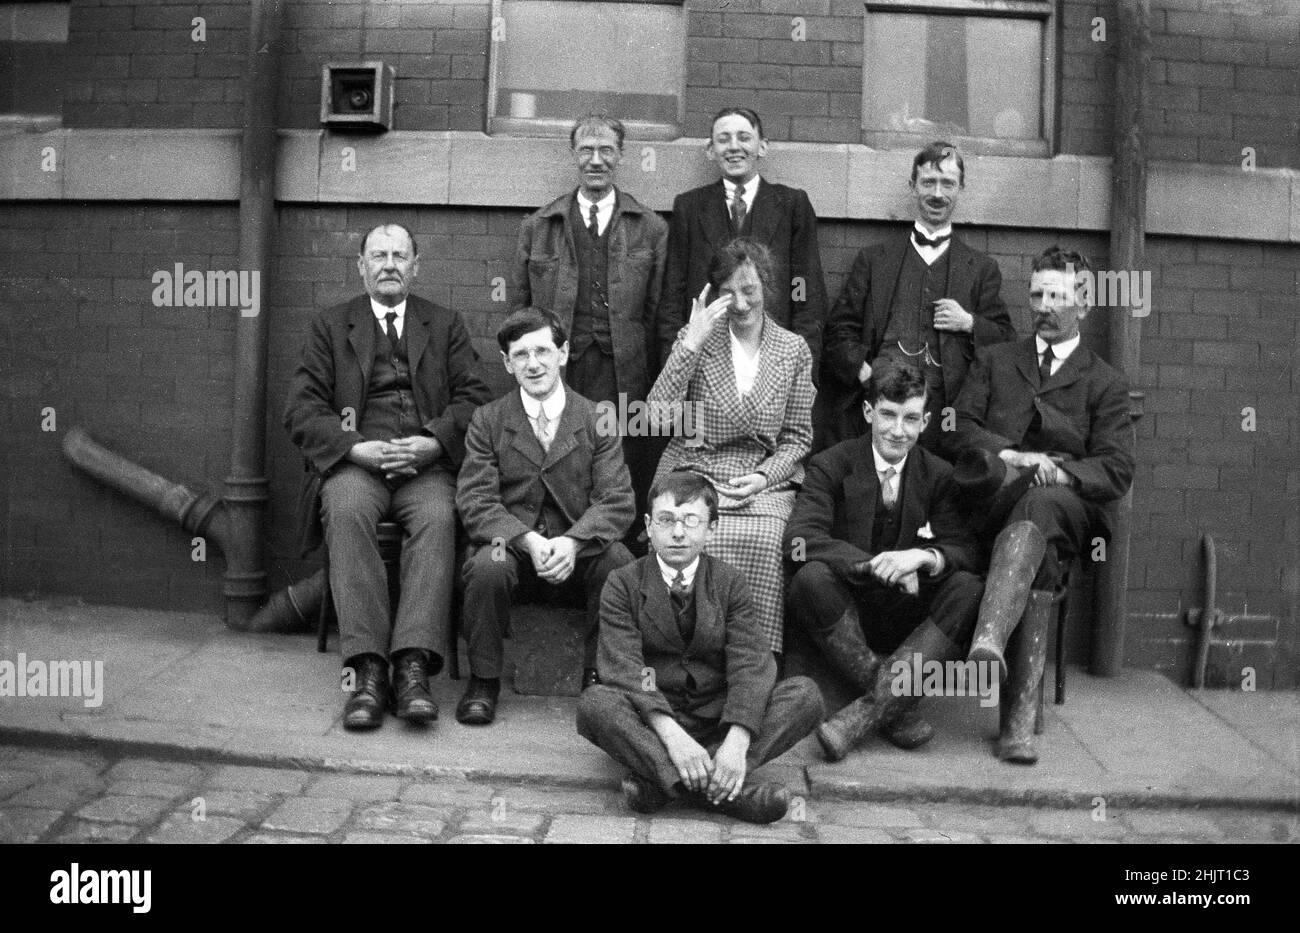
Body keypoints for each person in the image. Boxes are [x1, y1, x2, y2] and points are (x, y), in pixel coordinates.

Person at [284, 223, 490, 731]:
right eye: (379, 256)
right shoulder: (331, 326)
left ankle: (412, 667)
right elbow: (302, 409)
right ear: (361, 266)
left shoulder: (444, 324)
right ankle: (368, 669)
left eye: (400, 255)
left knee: (441, 517)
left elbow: (476, 398)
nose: (389, 265)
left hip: (425, 469)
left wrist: (434, 440)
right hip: (359, 464)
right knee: (348, 510)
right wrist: (356, 448)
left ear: (416, 266)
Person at [947, 246, 1135, 764]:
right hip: (996, 500)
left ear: (1084, 301)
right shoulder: (995, 360)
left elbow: (1116, 469)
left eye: (1057, 295)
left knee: (1041, 507)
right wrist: (1007, 452)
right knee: (1040, 561)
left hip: (1067, 507)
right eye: (1037, 295)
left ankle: (989, 637)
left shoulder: (1105, 381)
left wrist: (1061, 470)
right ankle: (1016, 730)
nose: (1044, 306)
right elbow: (955, 427)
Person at [577, 472, 824, 823]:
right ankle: (725, 794)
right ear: (648, 526)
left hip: (718, 717)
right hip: (652, 722)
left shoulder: (730, 582)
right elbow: (624, 667)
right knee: (594, 704)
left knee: (805, 696)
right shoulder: (623, 583)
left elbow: (751, 663)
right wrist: (671, 734)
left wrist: (737, 741)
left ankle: (666, 782)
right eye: (666, 520)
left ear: (711, 529)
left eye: (691, 521)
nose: (678, 533)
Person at [785, 359, 984, 761]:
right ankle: (894, 707)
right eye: (888, 415)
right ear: (868, 412)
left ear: (926, 421)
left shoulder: (938, 474)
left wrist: (924, 557)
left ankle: (858, 717)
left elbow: (964, 549)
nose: (898, 430)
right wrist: (875, 565)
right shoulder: (832, 463)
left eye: (910, 419)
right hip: (849, 607)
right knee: (810, 578)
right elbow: (799, 540)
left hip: (906, 618)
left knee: (968, 587)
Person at [455, 308, 635, 725]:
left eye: (542, 351)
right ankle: (484, 680)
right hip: (516, 546)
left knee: (619, 564)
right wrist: (527, 540)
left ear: (564, 353)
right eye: (520, 355)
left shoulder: (596, 418)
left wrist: (573, 542)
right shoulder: (489, 420)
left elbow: (617, 499)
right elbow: (476, 500)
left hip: (578, 547)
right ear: (506, 363)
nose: (533, 364)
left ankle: (600, 679)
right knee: (487, 565)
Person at [647, 237, 815, 656]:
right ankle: (691, 653)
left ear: (767, 290)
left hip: (762, 481)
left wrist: (763, 477)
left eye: (750, 291)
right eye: (728, 293)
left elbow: (798, 437)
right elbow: (657, 418)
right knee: (696, 534)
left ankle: (756, 661)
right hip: (696, 468)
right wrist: (691, 343)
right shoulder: (697, 338)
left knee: (767, 538)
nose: (740, 304)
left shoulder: (793, 349)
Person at [511, 114, 668, 526]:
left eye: (606, 151)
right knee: (560, 455)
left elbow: (657, 313)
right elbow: (521, 310)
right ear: (574, 155)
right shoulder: (539, 226)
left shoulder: (650, 228)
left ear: (621, 155)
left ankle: (613, 553)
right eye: (586, 150)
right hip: (561, 368)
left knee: (618, 466)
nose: (596, 160)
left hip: (624, 373)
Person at [819, 141, 1014, 451]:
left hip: (946, 417)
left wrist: (969, 323)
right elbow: (837, 331)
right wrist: (864, 371)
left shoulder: (981, 269)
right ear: (913, 186)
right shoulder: (874, 260)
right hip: (879, 407)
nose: (937, 194)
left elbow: (1006, 342)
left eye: (947, 183)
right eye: (928, 182)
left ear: (960, 188)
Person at [657, 107, 826, 378]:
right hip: (706, 361)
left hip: (772, 360)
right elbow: (673, 293)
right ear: (711, 150)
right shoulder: (690, 207)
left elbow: (802, 285)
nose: (734, 147)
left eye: (744, 137)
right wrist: (674, 362)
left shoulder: (792, 205)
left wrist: (802, 364)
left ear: (762, 147)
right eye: (724, 139)